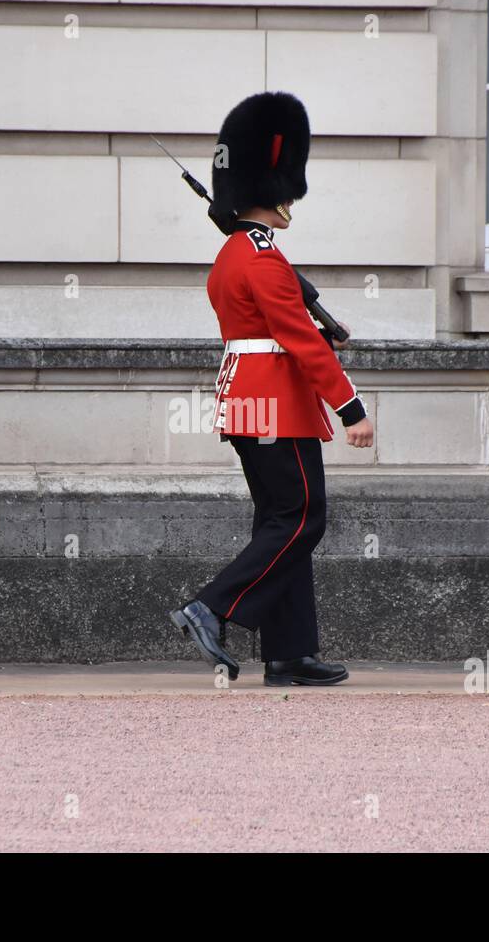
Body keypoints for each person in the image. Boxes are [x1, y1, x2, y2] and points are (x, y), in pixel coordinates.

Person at [169, 91, 374, 687]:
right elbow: (298, 342)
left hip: (248, 399)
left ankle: (290, 652)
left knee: (279, 523)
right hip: (276, 405)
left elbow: (274, 331)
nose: (291, 202)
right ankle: (211, 606)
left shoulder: (235, 253)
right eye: (285, 191)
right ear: (269, 192)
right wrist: (351, 407)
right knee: (302, 518)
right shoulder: (262, 258)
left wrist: (316, 331)